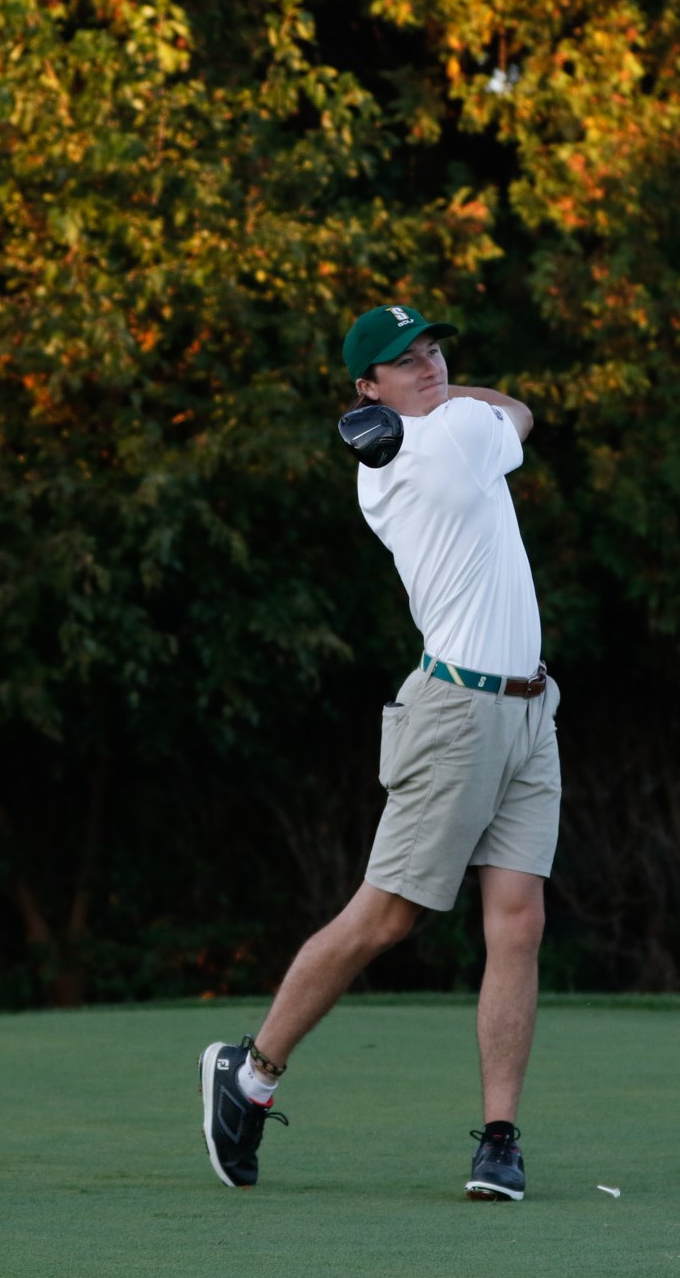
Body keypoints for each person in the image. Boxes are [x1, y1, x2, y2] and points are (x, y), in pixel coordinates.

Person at [199, 303, 562, 1201]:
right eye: (405, 362)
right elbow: (516, 408)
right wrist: (437, 408)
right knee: (387, 917)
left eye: (434, 349)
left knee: (518, 922)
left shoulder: (427, 433)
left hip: (529, 707)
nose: (430, 365)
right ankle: (249, 1073)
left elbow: (498, 408)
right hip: (455, 714)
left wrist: (418, 402)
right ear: (366, 388)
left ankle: (500, 1142)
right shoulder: (445, 445)